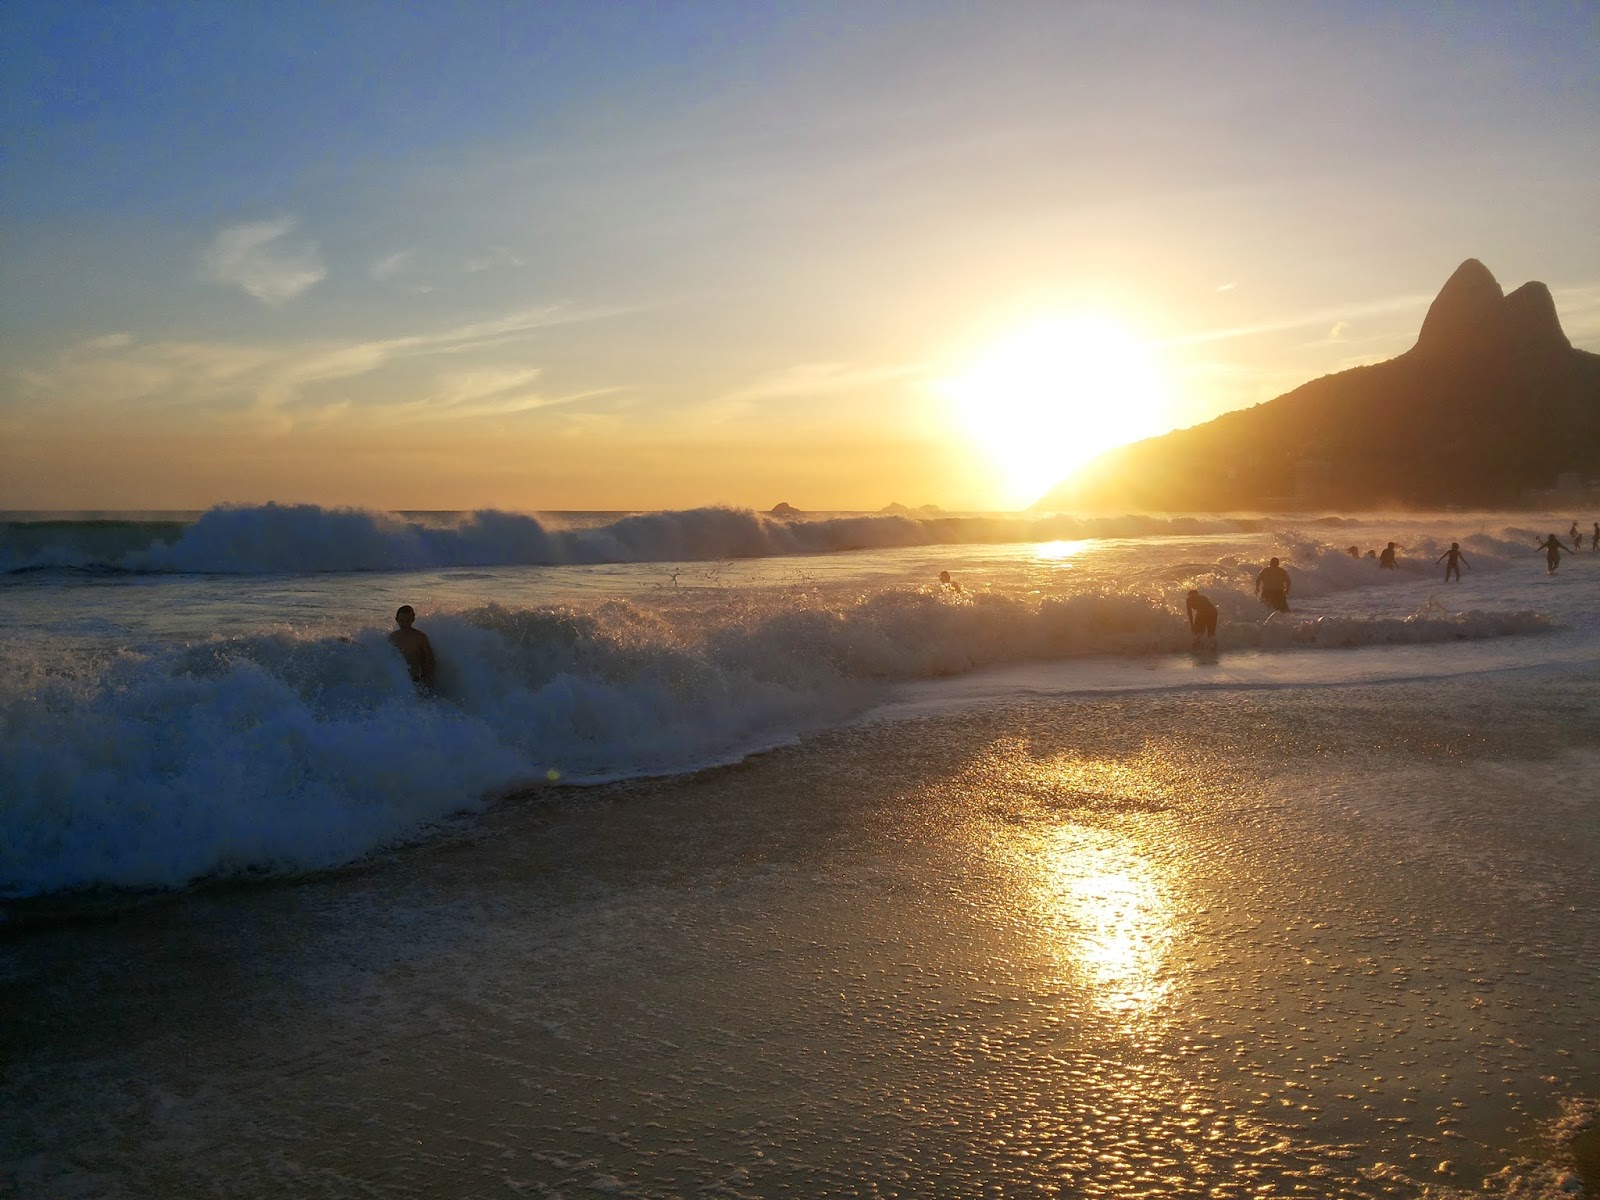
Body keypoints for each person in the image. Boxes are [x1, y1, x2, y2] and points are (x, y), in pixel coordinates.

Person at [388, 604, 437, 693]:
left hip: (418, 678)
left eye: (407, 620)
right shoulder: (392, 637)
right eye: (402, 620)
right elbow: (387, 656)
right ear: (397, 620)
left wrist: (429, 679)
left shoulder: (420, 637)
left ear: (412, 620)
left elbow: (430, 659)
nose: (404, 623)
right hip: (400, 678)